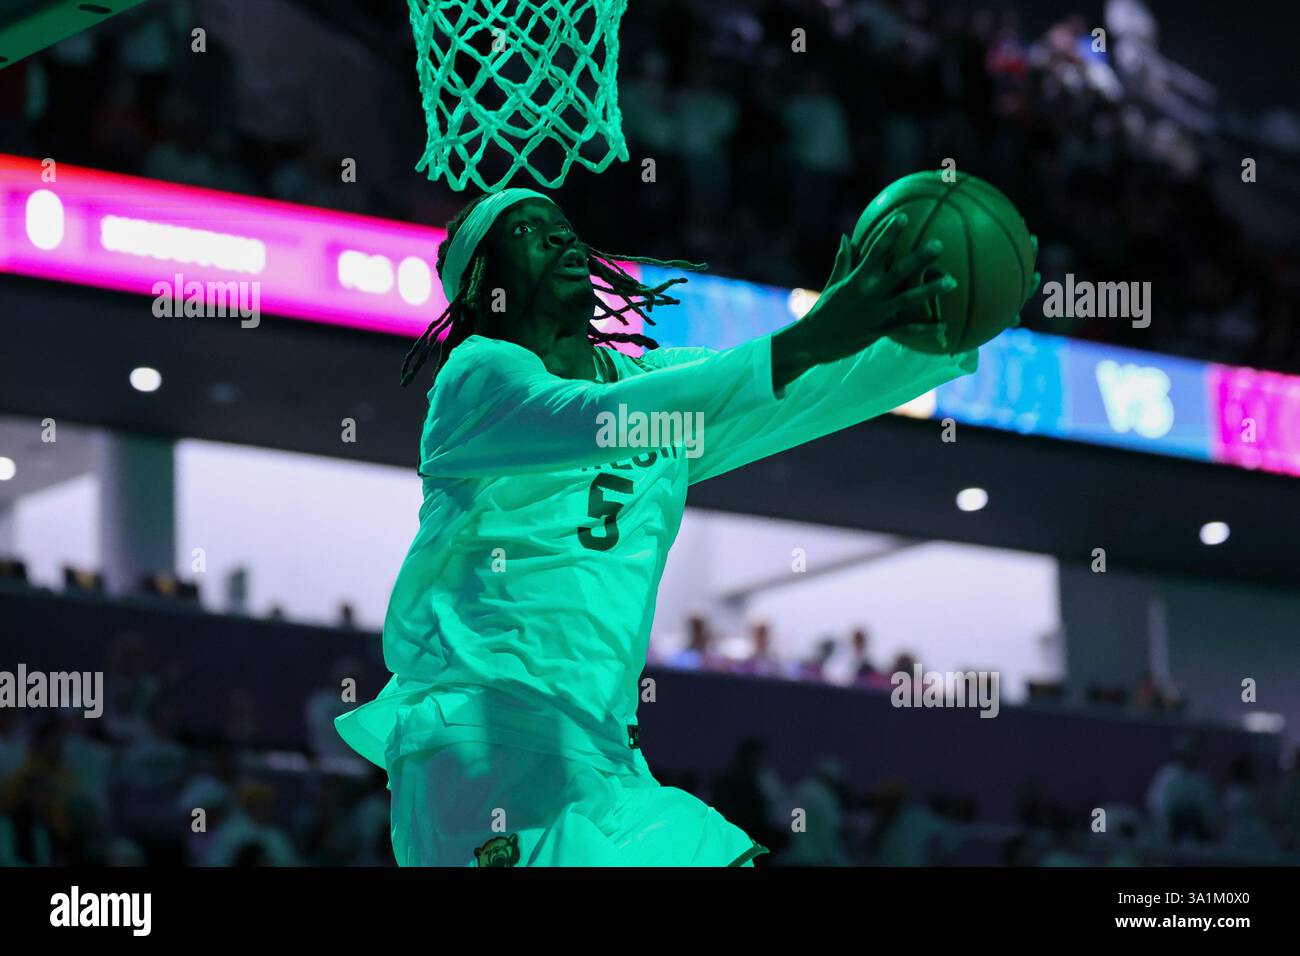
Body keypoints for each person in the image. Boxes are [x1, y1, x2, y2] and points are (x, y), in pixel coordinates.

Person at [335, 187, 1032, 866]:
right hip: (482, 747)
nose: (556, 236)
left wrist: (936, 325)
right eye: (523, 231)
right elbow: (602, 419)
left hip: (603, 759)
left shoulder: (659, 389)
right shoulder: (478, 377)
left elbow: (796, 390)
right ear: (484, 285)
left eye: (560, 224)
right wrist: (806, 339)